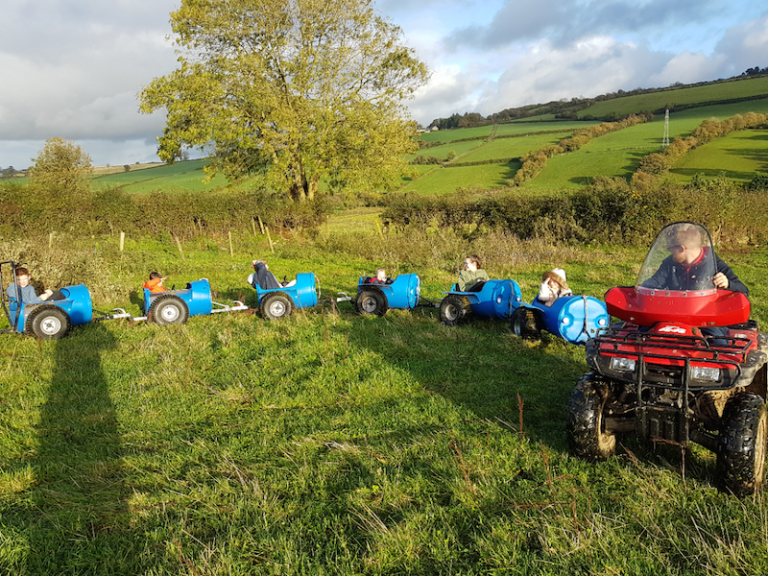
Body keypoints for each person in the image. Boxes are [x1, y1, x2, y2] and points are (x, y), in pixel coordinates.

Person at [642, 223, 748, 295]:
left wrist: (727, 283)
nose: (669, 251)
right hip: (674, 313)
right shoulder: (670, 264)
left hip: (705, 318)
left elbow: (743, 290)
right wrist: (640, 289)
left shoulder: (715, 264)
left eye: (670, 248)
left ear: (681, 248)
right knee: (645, 328)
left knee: (713, 330)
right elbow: (653, 283)